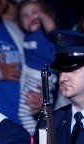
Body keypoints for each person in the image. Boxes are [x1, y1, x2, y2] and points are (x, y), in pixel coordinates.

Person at [16, 0, 57, 134]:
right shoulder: (26, 36)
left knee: (25, 111)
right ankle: (37, 135)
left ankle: (35, 137)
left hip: (44, 75)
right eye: (25, 15)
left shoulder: (46, 33)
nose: (31, 17)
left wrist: (42, 15)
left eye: (34, 13)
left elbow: (52, 27)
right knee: (26, 110)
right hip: (30, 76)